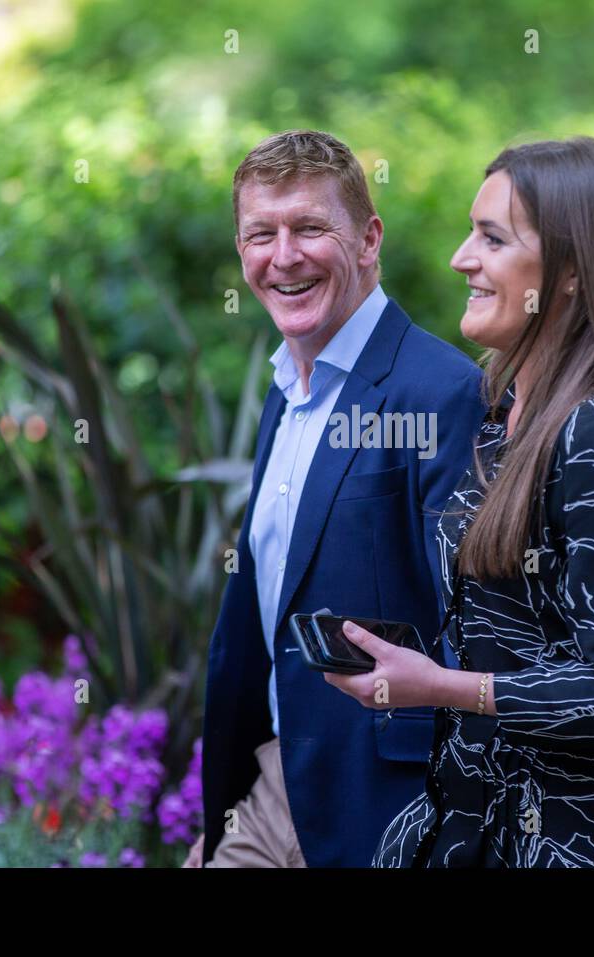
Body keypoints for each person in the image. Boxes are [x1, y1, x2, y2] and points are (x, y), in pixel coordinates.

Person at [325, 136, 594, 867]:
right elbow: (522, 633)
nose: (460, 257)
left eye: (492, 238)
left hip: (583, 841)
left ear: (569, 273)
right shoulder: (497, 415)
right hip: (482, 822)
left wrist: (441, 685)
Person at [187, 129, 486, 867]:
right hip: (271, 790)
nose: (283, 256)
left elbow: (483, 632)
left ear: (367, 240)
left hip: (387, 811)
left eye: (310, 228)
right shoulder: (285, 389)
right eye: (262, 233)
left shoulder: (441, 391)